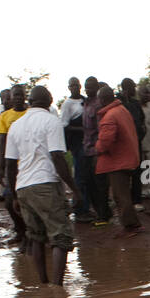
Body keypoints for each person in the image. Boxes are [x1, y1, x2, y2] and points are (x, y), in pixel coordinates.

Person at [3, 85, 81, 285]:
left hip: (23, 187)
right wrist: (75, 188)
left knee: (35, 236)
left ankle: (43, 283)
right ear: (50, 101)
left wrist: (12, 195)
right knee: (60, 236)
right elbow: (57, 156)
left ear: (30, 101)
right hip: (45, 183)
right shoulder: (51, 121)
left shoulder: (15, 126)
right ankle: (57, 287)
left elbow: (10, 165)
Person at [93, 84, 143, 236]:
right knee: (123, 194)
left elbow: (105, 142)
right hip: (128, 157)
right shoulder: (122, 110)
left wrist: (97, 148)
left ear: (102, 99)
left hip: (117, 161)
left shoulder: (109, 116)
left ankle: (131, 226)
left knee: (120, 195)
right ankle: (132, 224)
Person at [0, 85, 30, 246]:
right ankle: (21, 231)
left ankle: (31, 235)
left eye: (20, 95)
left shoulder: (31, 113)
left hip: (29, 164)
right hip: (12, 165)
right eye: (14, 95)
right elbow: (1, 142)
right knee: (10, 202)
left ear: (25, 96)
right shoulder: (4, 116)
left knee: (28, 201)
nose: (17, 98)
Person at [76, 76, 108, 225]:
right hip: (86, 148)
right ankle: (99, 213)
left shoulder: (99, 105)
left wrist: (98, 151)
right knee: (89, 183)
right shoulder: (86, 104)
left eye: (91, 87)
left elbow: (101, 129)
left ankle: (104, 215)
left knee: (100, 184)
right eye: (86, 87)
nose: (88, 90)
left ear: (97, 88)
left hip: (96, 150)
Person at [60, 77, 90, 217]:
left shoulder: (85, 100)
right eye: (72, 86)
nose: (75, 88)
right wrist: (83, 129)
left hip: (89, 141)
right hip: (77, 142)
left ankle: (87, 205)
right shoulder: (67, 104)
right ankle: (79, 208)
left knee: (89, 174)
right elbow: (65, 125)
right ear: (69, 87)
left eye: (77, 85)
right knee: (80, 175)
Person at [119, 79, 147, 209]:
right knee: (124, 173)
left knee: (137, 170)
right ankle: (125, 200)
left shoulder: (136, 104)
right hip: (123, 144)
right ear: (127, 88)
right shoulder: (118, 103)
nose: (135, 90)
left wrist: (140, 135)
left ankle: (137, 200)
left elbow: (141, 121)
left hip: (136, 142)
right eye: (133, 87)